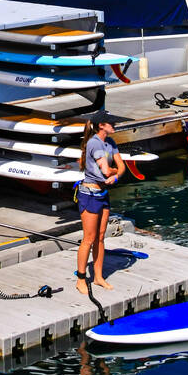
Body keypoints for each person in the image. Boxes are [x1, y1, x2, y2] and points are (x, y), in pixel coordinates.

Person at [75, 111, 126, 294]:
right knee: (88, 238)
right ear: (101, 125)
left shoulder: (110, 143)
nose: (115, 125)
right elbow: (106, 171)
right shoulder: (94, 143)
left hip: (103, 193)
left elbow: (122, 167)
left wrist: (116, 176)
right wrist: (113, 173)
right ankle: (81, 279)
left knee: (101, 236)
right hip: (89, 194)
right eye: (112, 123)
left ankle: (98, 277)